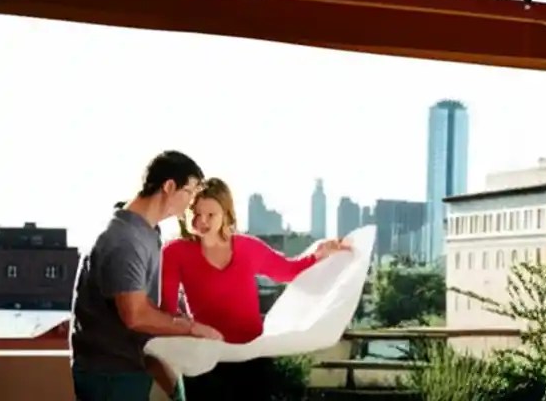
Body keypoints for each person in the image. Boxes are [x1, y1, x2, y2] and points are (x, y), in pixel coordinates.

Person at [161, 177, 348, 399]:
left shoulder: (247, 247)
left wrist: (320, 253)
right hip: (206, 360)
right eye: (196, 213)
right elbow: (167, 311)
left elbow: (288, 271)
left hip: (252, 358)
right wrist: (193, 329)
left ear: (226, 215)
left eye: (211, 215)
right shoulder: (174, 252)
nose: (202, 221)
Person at [71, 150, 223, 401]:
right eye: (190, 192)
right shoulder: (125, 240)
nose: (192, 203)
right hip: (109, 377)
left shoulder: (148, 232)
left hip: (128, 370)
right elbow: (136, 315)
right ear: (169, 186)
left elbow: (147, 307)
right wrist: (193, 328)